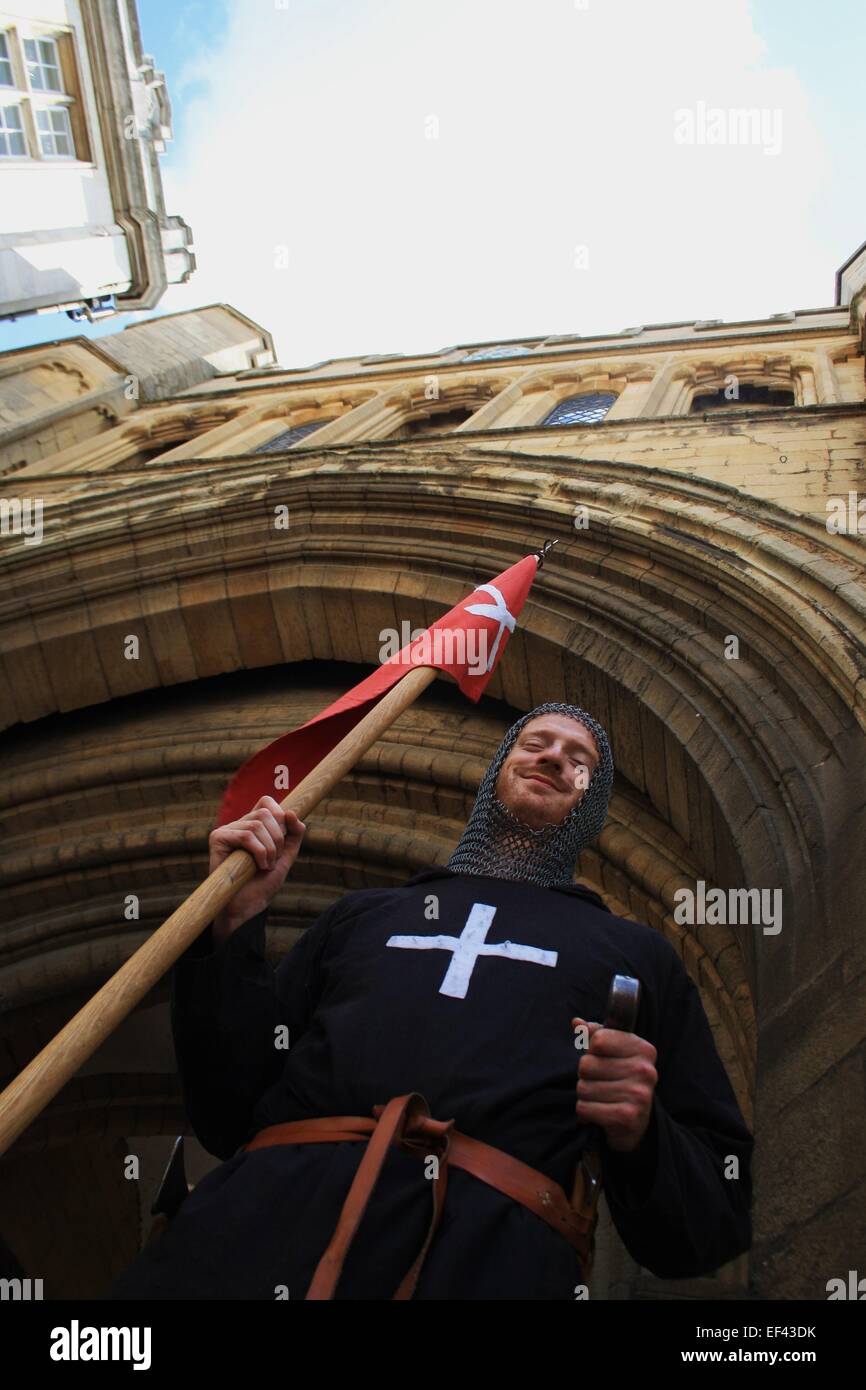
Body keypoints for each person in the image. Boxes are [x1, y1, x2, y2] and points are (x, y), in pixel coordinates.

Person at [102, 701, 753, 1300]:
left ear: (592, 801)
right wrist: (233, 923)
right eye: (536, 743)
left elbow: (715, 1217)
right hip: (258, 1228)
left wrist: (641, 1132)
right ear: (498, 769)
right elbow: (228, 1107)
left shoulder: (636, 955)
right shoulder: (362, 917)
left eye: (578, 760)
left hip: (480, 1260)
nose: (554, 757)